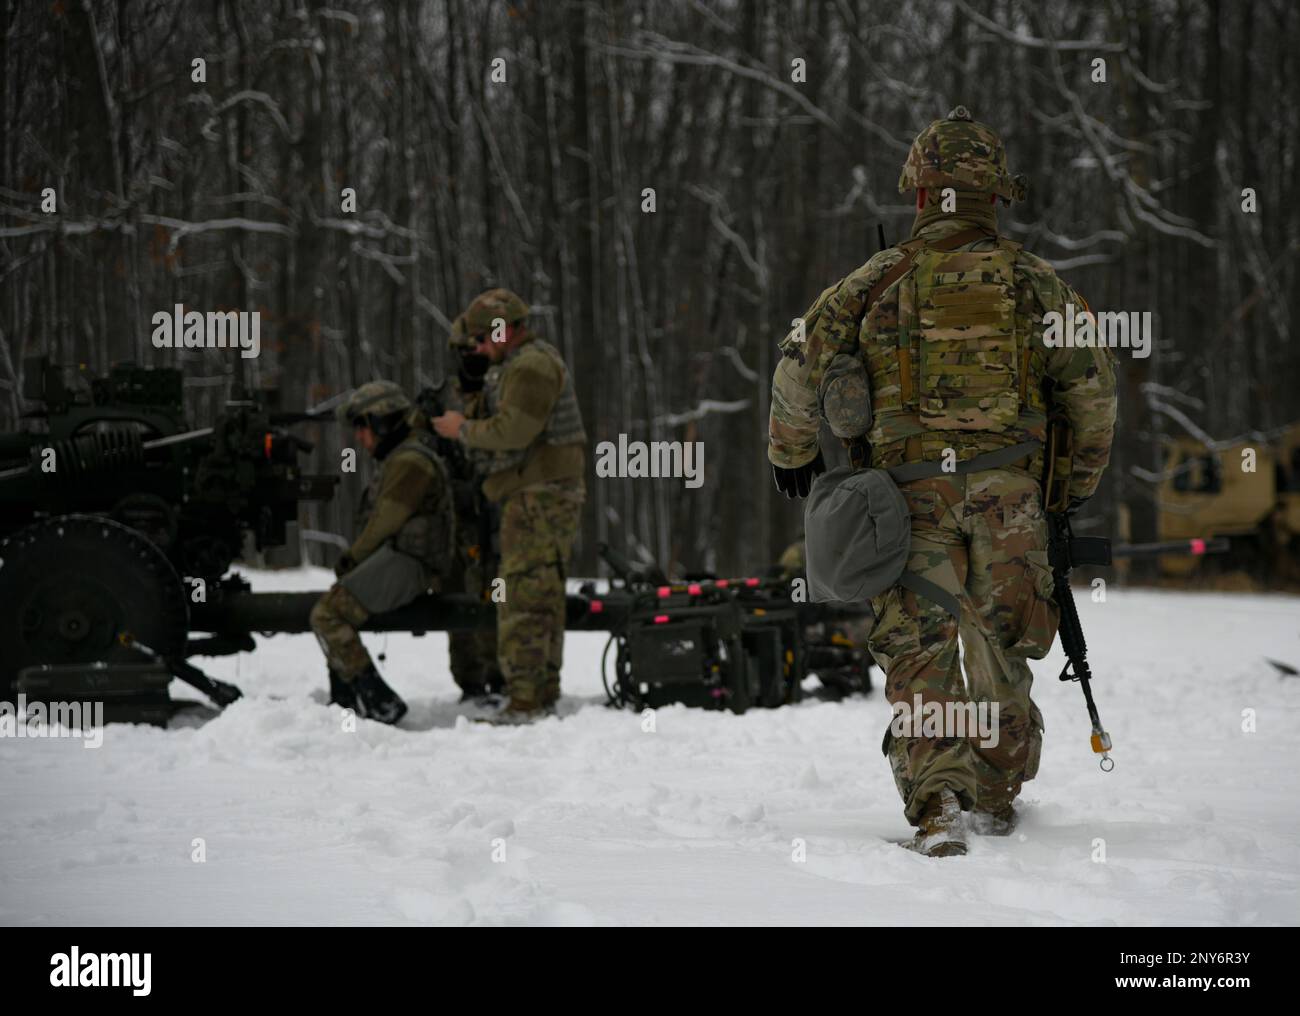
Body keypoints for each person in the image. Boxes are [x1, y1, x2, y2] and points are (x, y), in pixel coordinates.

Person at [768, 107, 1117, 856]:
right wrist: (1070, 489)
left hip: (905, 502)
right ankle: (994, 794)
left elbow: (799, 361)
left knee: (919, 649)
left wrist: (792, 451)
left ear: (920, 194)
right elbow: (1094, 393)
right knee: (1003, 648)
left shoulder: (873, 280)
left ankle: (938, 805)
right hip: (1011, 503)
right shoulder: (1035, 282)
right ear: (995, 195)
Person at [432, 289, 587, 723]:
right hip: (535, 494)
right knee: (538, 593)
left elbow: (514, 431)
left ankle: (525, 701)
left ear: (505, 329)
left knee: (523, 594)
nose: (479, 348)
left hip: (539, 497)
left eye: (483, 338)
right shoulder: (518, 365)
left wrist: (462, 428)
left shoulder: (532, 365)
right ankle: (539, 694)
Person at [310, 381, 455, 724]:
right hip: (403, 560)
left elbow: (385, 522)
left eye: (362, 427)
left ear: (382, 421)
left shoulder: (410, 462)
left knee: (327, 614)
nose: (359, 438)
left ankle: (378, 699)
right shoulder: (403, 457)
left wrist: (352, 559)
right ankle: (345, 699)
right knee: (334, 606)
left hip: (411, 565)